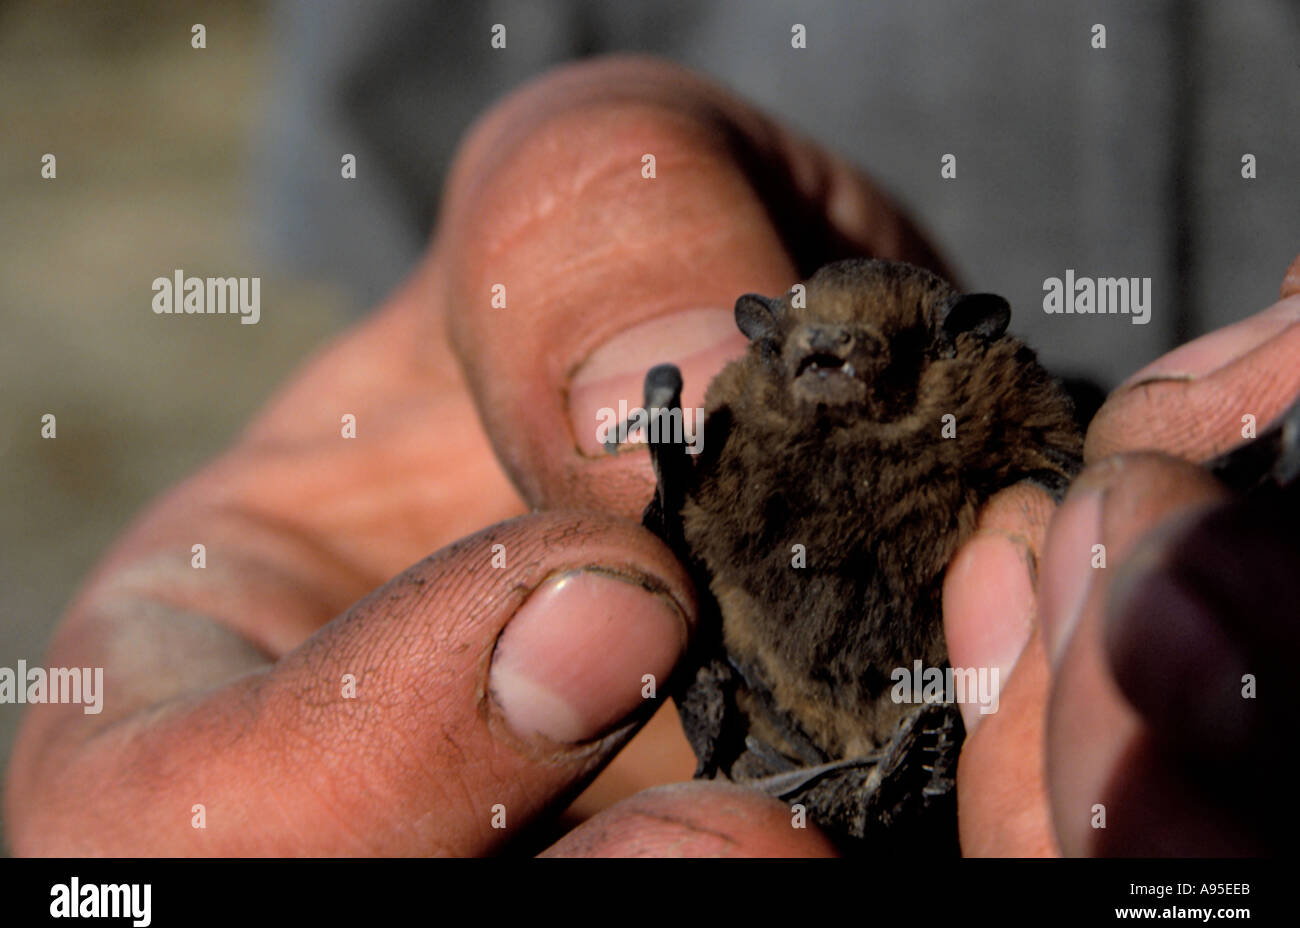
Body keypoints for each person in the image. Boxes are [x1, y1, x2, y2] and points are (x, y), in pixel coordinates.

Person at [6, 57, 1297, 856]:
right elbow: (394, 210)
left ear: (955, 345)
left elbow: (1076, 460)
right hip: (823, 726)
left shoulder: (1004, 412)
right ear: (762, 347)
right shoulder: (725, 441)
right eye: (807, 352)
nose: (834, 369)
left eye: (872, 356)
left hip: (986, 685)